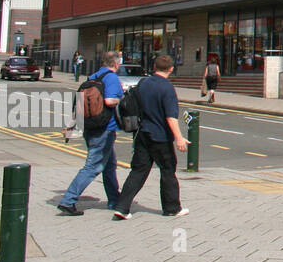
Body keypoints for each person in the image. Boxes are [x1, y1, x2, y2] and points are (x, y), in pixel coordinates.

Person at [113, 54, 189, 220]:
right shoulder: (167, 88)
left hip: (142, 133)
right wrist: (179, 138)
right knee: (168, 170)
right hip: (160, 136)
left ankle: (122, 207)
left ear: (154, 67)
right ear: (171, 69)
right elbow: (171, 117)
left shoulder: (144, 83)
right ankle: (172, 208)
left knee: (138, 171)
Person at [57, 51, 123, 216]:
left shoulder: (93, 76)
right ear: (115, 64)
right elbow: (109, 101)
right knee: (93, 166)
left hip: (89, 125)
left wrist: (73, 125)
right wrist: (121, 99)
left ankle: (115, 200)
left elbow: (80, 102)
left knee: (109, 165)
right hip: (105, 128)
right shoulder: (112, 78)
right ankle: (68, 200)